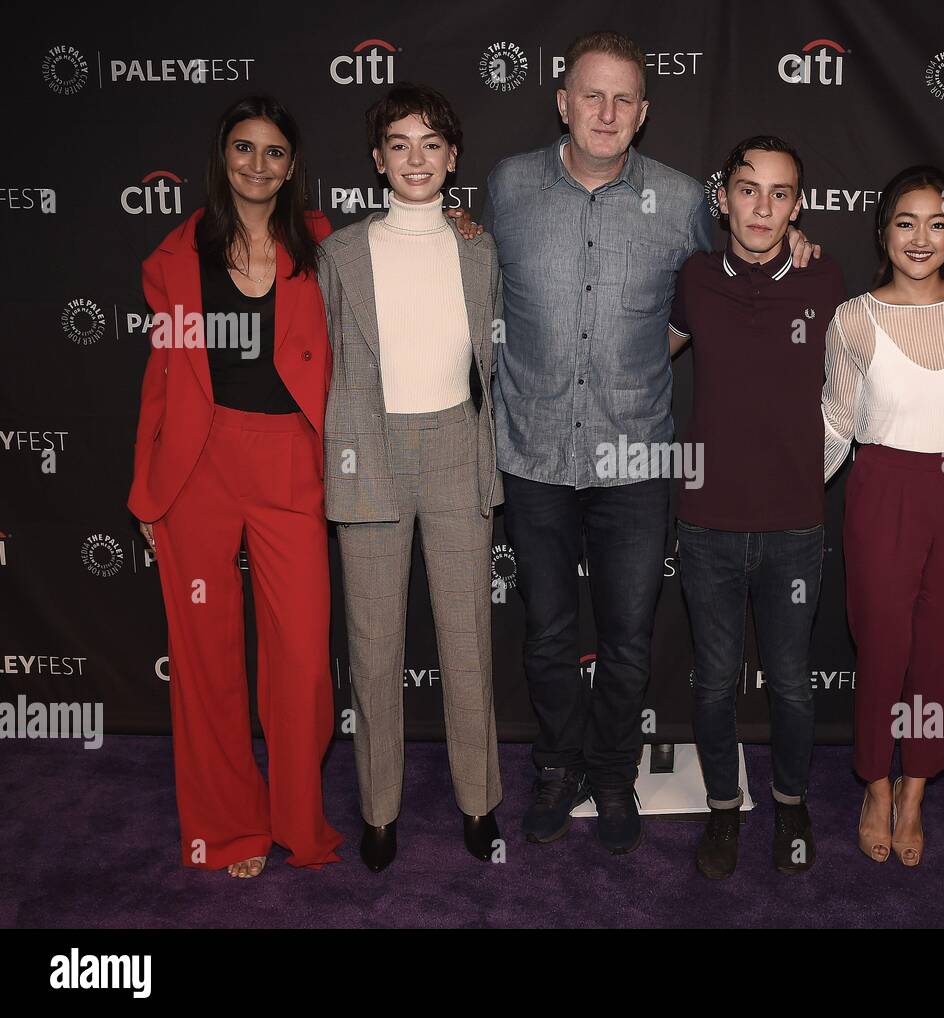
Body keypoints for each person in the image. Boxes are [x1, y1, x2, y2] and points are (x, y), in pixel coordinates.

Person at [484, 30, 818, 855]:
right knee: (549, 632)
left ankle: (610, 768)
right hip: (531, 451)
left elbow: (735, 281)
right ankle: (557, 767)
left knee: (629, 635)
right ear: (562, 102)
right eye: (590, 95)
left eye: (623, 98)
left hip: (634, 456)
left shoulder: (678, 201)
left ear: (643, 113)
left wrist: (801, 252)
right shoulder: (508, 185)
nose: (606, 112)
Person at [128, 95, 343, 878]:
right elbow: (161, 380)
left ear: (293, 165)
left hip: (291, 462)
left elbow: (403, 257)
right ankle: (226, 832)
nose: (259, 165)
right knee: (206, 658)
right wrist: (147, 492)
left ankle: (296, 819)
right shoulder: (178, 256)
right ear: (224, 158)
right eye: (245, 149)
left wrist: (459, 224)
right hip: (198, 466)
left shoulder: (322, 247)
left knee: (302, 662)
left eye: (275, 152)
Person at [316, 83, 505, 871]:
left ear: (453, 158)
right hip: (369, 450)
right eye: (400, 144)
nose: (416, 158)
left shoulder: (478, 246)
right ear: (377, 160)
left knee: (468, 642)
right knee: (373, 645)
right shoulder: (339, 253)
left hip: (459, 445)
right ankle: (379, 812)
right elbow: (324, 361)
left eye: (432, 144)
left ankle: (479, 802)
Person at [823, 166, 944, 869]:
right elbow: (837, 425)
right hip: (882, 489)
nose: (921, 237)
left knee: (937, 653)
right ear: (883, 231)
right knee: (880, 650)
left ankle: (915, 789)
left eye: (938, 222)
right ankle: (874, 785)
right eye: (906, 222)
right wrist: (778, 497)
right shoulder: (853, 318)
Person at [669, 136, 844, 878]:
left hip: (796, 525)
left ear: (797, 205)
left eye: (779, 193)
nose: (763, 207)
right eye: (748, 190)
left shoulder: (825, 279)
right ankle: (721, 811)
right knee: (712, 682)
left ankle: (791, 802)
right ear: (724, 199)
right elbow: (649, 357)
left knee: (793, 683)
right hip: (707, 525)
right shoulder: (695, 278)